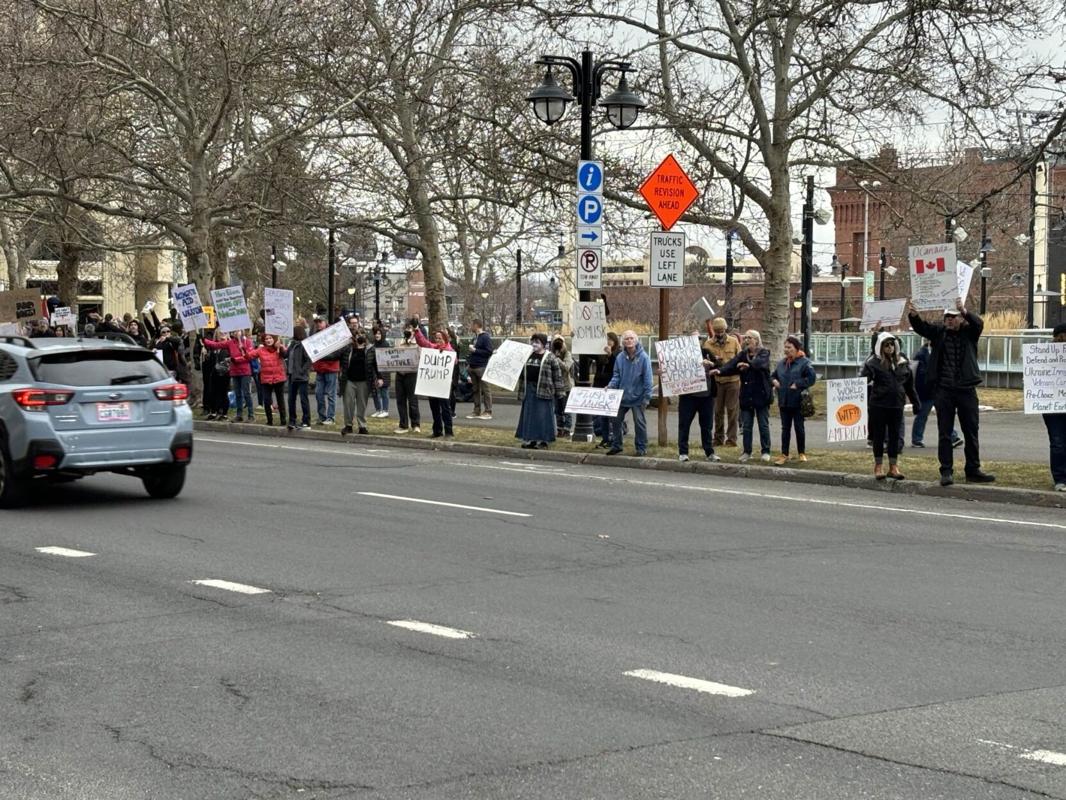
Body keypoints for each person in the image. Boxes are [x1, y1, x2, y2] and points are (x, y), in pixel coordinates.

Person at [907, 297, 994, 486]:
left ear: (960, 319)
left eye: (953, 317)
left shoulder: (970, 333)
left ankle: (973, 469)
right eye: (947, 317)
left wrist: (964, 310)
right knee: (944, 432)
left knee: (971, 430)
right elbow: (922, 327)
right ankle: (946, 470)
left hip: (966, 389)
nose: (949, 320)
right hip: (944, 390)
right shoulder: (939, 334)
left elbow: (978, 323)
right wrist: (914, 316)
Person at [861, 332, 920, 480]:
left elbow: (909, 385)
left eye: (892, 344)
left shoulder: (902, 363)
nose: (890, 347)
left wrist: (915, 402)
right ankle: (878, 466)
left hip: (896, 405)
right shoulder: (873, 363)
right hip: (879, 404)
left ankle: (893, 467)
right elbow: (862, 382)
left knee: (894, 437)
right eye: (886, 345)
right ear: (880, 347)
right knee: (879, 436)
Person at [713, 330, 773, 462]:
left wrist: (748, 365)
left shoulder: (764, 353)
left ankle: (766, 451)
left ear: (756, 340)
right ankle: (747, 451)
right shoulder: (743, 354)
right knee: (746, 426)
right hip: (746, 395)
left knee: (763, 424)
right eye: (745, 338)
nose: (746, 340)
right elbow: (732, 365)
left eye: (749, 338)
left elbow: (759, 364)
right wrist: (720, 370)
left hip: (761, 394)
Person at [514, 332, 565, 449]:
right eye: (533, 342)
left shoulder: (550, 357)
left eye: (537, 342)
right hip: (529, 389)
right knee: (529, 415)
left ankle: (544, 441)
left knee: (543, 416)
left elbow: (557, 376)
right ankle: (531, 439)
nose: (534, 344)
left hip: (544, 390)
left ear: (543, 344)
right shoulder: (528, 355)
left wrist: (560, 393)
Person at [606, 330, 653, 456]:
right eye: (626, 339)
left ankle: (641, 447)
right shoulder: (620, 358)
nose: (629, 341)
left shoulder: (644, 358)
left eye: (631, 338)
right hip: (622, 396)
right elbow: (616, 376)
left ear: (636, 340)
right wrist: (610, 385)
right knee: (615, 420)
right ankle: (617, 445)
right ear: (623, 342)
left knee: (639, 423)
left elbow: (648, 379)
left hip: (638, 397)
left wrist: (647, 397)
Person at [771, 335, 816, 465]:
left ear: (796, 348)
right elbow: (773, 375)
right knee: (785, 429)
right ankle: (784, 454)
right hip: (784, 401)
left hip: (798, 401)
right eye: (785, 347)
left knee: (799, 428)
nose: (786, 350)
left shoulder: (804, 363)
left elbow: (812, 379)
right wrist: (774, 381)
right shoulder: (782, 363)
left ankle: (801, 452)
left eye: (789, 347)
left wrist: (798, 383)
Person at [911, 338, 961, 449]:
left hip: (936, 390)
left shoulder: (935, 353)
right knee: (923, 415)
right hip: (928, 391)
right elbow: (921, 375)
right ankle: (916, 439)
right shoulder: (922, 355)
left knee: (942, 415)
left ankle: (952, 436)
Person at [678, 333, 719, 462]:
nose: (697, 341)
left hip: (706, 396)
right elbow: (673, 369)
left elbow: (719, 366)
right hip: (688, 396)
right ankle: (683, 452)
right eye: (693, 339)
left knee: (707, 426)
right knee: (684, 425)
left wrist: (711, 364)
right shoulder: (681, 355)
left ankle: (709, 452)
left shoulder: (706, 352)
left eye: (699, 339)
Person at [202, 328, 255, 422]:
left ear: (242, 332)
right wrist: (205, 340)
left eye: (238, 331)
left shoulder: (248, 342)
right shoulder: (230, 342)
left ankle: (251, 415)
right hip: (235, 372)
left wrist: (239, 354)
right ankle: (239, 415)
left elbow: (249, 356)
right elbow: (216, 344)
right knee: (237, 394)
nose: (236, 333)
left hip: (245, 371)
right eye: (234, 331)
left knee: (246, 393)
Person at [412, 324, 455, 438]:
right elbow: (423, 342)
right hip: (432, 385)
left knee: (445, 408)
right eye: (436, 338)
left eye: (440, 338)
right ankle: (437, 430)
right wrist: (417, 331)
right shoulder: (433, 348)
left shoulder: (449, 351)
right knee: (434, 408)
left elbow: (453, 362)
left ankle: (449, 431)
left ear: (445, 339)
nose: (438, 340)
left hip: (443, 385)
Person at [705, 317, 741, 447]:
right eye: (717, 331)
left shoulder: (733, 341)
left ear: (725, 329)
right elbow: (703, 360)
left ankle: (731, 439)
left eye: (722, 331)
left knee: (732, 410)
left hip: (732, 381)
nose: (719, 334)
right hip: (717, 382)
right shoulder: (708, 344)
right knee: (718, 411)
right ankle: (718, 438)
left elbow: (740, 358)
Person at [341, 331, 379, 435]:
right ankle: (348, 425)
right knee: (348, 404)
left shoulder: (370, 350)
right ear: (354, 337)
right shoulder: (348, 349)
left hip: (364, 381)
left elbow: (376, 365)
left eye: (362, 334)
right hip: (350, 380)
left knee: (362, 405)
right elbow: (339, 359)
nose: (360, 336)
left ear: (365, 337)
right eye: (358, 335)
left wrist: (379, 378)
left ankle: (362, 426)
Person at [247, 333, 288, 426]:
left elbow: (285, 355)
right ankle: (269, 420)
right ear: (264, 341)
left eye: (270, 338)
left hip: (279, 378)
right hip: (266, 379)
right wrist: (243, 350)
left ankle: (283, 420)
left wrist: (280, 347)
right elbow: (249, 356)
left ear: (274, 339)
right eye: (266, 339)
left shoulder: (279, 347)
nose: (268, 340)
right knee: (267, 400)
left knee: (280, 400)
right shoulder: (261, 350)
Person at [1044, 323, 1066, 491]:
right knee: (1057, 442)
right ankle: (1060, 478)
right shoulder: (1044, 354)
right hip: (1052, 405)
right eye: (1060, 337)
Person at [593, 332, 621, 447]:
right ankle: (605, 438)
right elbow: (588, 354)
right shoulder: (600, 353)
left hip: (611, 386)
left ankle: (613, 438)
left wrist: (610, 355)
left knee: (612, 416)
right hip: (600, 385)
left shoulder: (618, 353)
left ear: (614, 342)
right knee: (603, 415)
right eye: (606, 339)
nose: (608, 342)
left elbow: (617, 368)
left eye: (610, 340)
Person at [310, 318, 340, 425]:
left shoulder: (333, 334)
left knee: (331, 394)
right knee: (319, 394)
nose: (318, 324)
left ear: (325, 322)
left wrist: (322, 355)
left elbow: (337, 352)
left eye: (320, 322)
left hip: (331, 368)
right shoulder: (315, 335)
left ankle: (330, 417)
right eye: (317, 322)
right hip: (320, 369)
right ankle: (322, 417)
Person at [392, 324, 422, 434]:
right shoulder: (399, 342)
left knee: (413, 401)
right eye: (406, 329)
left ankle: (416, 424)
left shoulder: (417, 343)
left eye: (410, 329)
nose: (408, 331)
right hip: (400, 374)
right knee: (401, 400)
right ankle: (403, 424)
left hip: (411, 374)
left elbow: (420, 356)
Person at [199, 328, 231, 421]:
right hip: (214, 373)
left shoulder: (229, 345)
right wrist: (206, 353)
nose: (222, 335)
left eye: (224, 333)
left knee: (223, 393)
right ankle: (213, 411)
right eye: (220, 333)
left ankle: (224, 413)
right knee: (213, 392)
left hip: (224, 373)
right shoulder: (214, 346)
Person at [465, 319, 494, 420]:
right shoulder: (475, 337)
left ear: (476, 325)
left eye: (472, 325)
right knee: (475, 390)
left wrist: (475, 350)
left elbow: (489, 351)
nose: (470, 327)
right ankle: (476, 410)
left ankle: (488, 411)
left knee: (486, 389)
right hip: (473, 366)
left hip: (481, 366)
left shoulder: (485, 337)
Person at [286, 324, 312, 430]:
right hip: (292, 375)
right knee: (291, 399)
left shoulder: (304, 345)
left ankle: (306, 420)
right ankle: (292, 419)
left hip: (301, 377)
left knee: (303, 399)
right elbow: (286, 355)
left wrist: (302, 370)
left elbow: (308, 360)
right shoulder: (292, 344)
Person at [551, 334, 575, 437]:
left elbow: (566, 367)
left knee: (567, 409)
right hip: (556, 386)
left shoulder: (567, 354)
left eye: (560, 342)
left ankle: (567, 429)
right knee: (557, 409)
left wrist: (557, 359)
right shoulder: (551, 354)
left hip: (566, 386)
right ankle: (559, 429)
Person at [370, 328, 391, 418]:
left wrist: (382, 376)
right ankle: (378, 409)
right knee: (375, 392)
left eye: (379, 333)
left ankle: (385, 410)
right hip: (375, 371)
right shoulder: (374, 345)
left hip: (383, 372)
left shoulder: (385, 344)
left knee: (384, 391)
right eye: (376, 333)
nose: (377, 335)